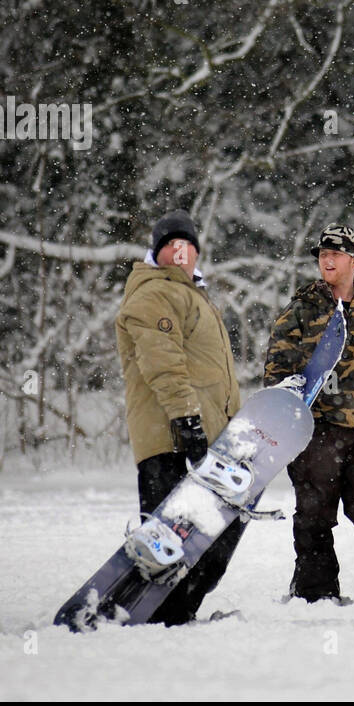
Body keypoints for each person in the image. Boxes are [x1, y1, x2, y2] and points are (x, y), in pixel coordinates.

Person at [263, 223, 354, 604]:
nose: (327, 260)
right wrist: (284, 429)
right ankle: (315, 599)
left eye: (336, 254)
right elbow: (276, 377)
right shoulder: (299, 311)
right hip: (316, 434)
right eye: (322, 255)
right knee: (314, 519)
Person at [115, 209, 243, 625]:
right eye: (172, 245)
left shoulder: (191, 295)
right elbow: (163, 364)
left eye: (187, 246)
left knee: (211, 538)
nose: (181, 253)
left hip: (204, 441)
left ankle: (177, 612)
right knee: (172, 544)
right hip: (169, 440)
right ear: (157, 253)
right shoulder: (154, 294)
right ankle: (158, 615)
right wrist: (187, 421)